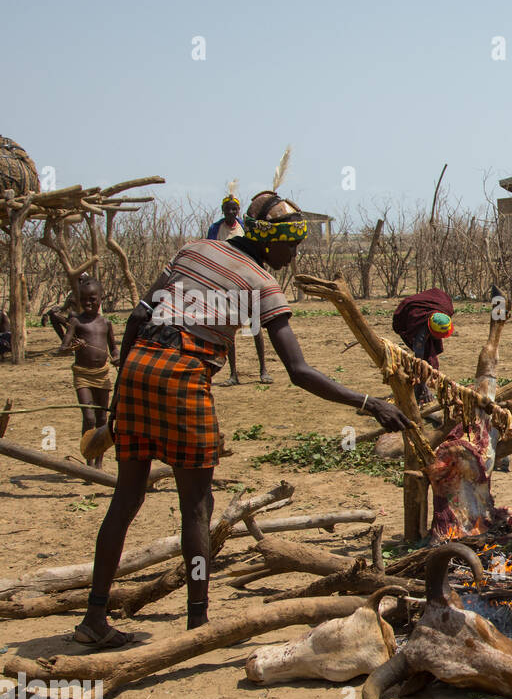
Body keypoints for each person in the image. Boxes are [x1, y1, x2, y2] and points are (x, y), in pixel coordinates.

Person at [72, 190, 412, 648]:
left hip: (137, 368)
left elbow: (137, 317)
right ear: (269, 243)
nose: (295, 255)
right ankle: (198, 624)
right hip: (183, 374)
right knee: (197, 505)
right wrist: (369, 403)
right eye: (291, 246)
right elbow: (299, 371)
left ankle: (94, 618)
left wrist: (116, 408)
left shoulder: (193, 249)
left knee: (126, 499)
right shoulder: (260, 284)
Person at [207, 191, 272, 386]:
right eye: (228, 209)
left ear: (238, 210)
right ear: (222, 210)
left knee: (254, 326)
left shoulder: (243, 227)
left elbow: (255, 249)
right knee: (230, 328)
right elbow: (210, 251)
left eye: (234, 209)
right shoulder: (215, 228)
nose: (231, 212)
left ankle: (263, 370)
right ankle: (233, 374)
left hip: (245, 279)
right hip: (224, 281)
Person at [55, 277, 118, 470]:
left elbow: (113, 349)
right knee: (89, 417)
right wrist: (73, 346)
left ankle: (98, 463)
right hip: (82, 375)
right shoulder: (76, 322)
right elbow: (62, 349)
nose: (88, 303)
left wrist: (117, 358)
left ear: (101, 298)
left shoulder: (106, 323)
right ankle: (88, 460)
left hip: (102, 374)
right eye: (84, 299)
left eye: (92, 299)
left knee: (101, 419)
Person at [391, 288, 456, 404]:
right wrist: (422, 386)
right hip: (408, 317)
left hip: (430, 313)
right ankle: (418, 391)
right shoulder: (420, 333)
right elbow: (419, 361)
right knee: (424, 359)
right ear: (430, 331)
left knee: (429, 354)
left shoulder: (445, 311)